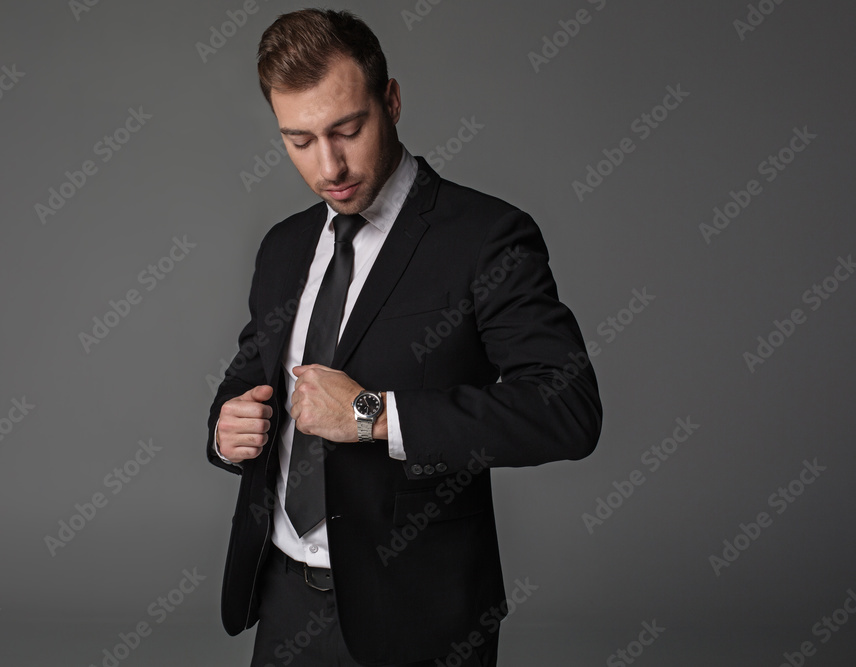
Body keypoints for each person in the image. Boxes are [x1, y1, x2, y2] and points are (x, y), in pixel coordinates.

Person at [206, 9, 602, 666]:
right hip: (282, 601)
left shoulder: (486, 238)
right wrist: (227, 427)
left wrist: (371, 414)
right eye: (300, 140)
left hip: (421, 616)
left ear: (390, 101)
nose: (329, 165)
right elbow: (250, 374)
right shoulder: (282, 247)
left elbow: (566, 409)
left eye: (347, 130)